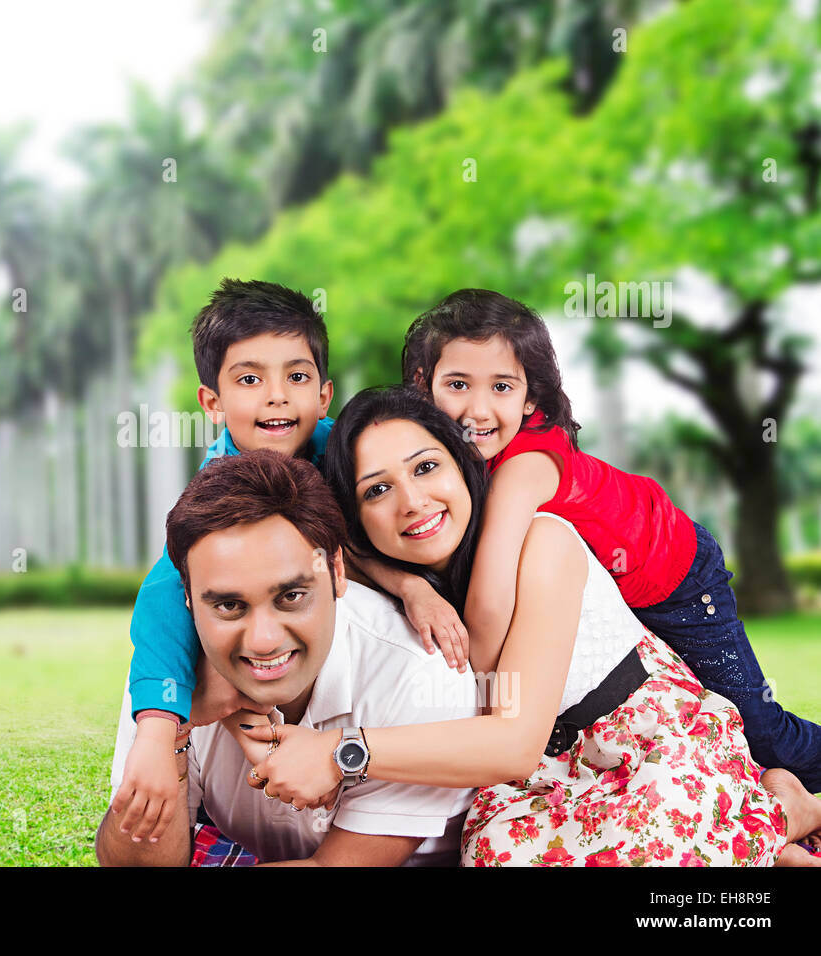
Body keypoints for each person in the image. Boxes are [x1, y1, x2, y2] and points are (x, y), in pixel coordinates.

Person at [245, 386, 821, 866]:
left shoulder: (544, 540)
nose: (413, 501)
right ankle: (762, 846)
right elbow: (322, 550)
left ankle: (784, 808)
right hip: (544, 773)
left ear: (462, 465)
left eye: (426, 467)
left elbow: (513, 742)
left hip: (642, 735)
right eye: (378, 489)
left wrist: (341, 751)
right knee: (495, 851)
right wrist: (410, 586)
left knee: (651, 844)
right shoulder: (392, 584)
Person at [391, 288, 821, 793]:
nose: (478, 410)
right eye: (458, 384)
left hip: (678, 578)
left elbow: (489, 597)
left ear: (531, 397)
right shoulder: (441, 455)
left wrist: (466, 688)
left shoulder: (523, 468)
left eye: (502, 387)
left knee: (759, 732)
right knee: (690, 722)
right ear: (424, 385)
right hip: (618, 593)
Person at [114, 278, 465, 844]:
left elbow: (347, 545)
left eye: (295, 377)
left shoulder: (349, 452)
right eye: (250, 379)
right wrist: (160, 732)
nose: (276, 396)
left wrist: (410, 586)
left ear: (323, 396)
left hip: (372, 664)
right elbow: (166, 599)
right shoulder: (216, 499)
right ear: (212, 403)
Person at [96, 450, 479, 866]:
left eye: (291, 597)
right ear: (187, 600)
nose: (262, 641)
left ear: (336, 572)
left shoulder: (415, 671)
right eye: (228, 606)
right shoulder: (168, 676)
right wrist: (176, 732)